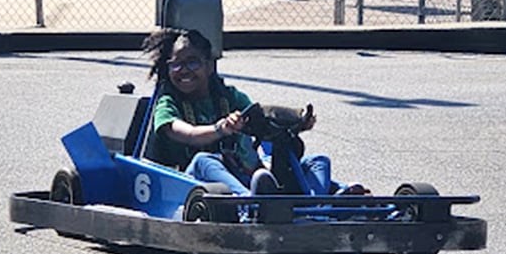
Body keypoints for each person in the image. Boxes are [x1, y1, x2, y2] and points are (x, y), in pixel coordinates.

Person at [142, 27, 364, 197]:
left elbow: (259, 119)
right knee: (204, 160)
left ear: (209, 66)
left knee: (318, 161)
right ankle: (249, 201)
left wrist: (296, 125)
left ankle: (318, 204)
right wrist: (221, 128)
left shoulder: (229, 97)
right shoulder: (168, 104)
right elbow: (188, 134)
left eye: (192, 62)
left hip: (244, 173)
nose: (184, 71)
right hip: (192, 181)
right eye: (176, 64)